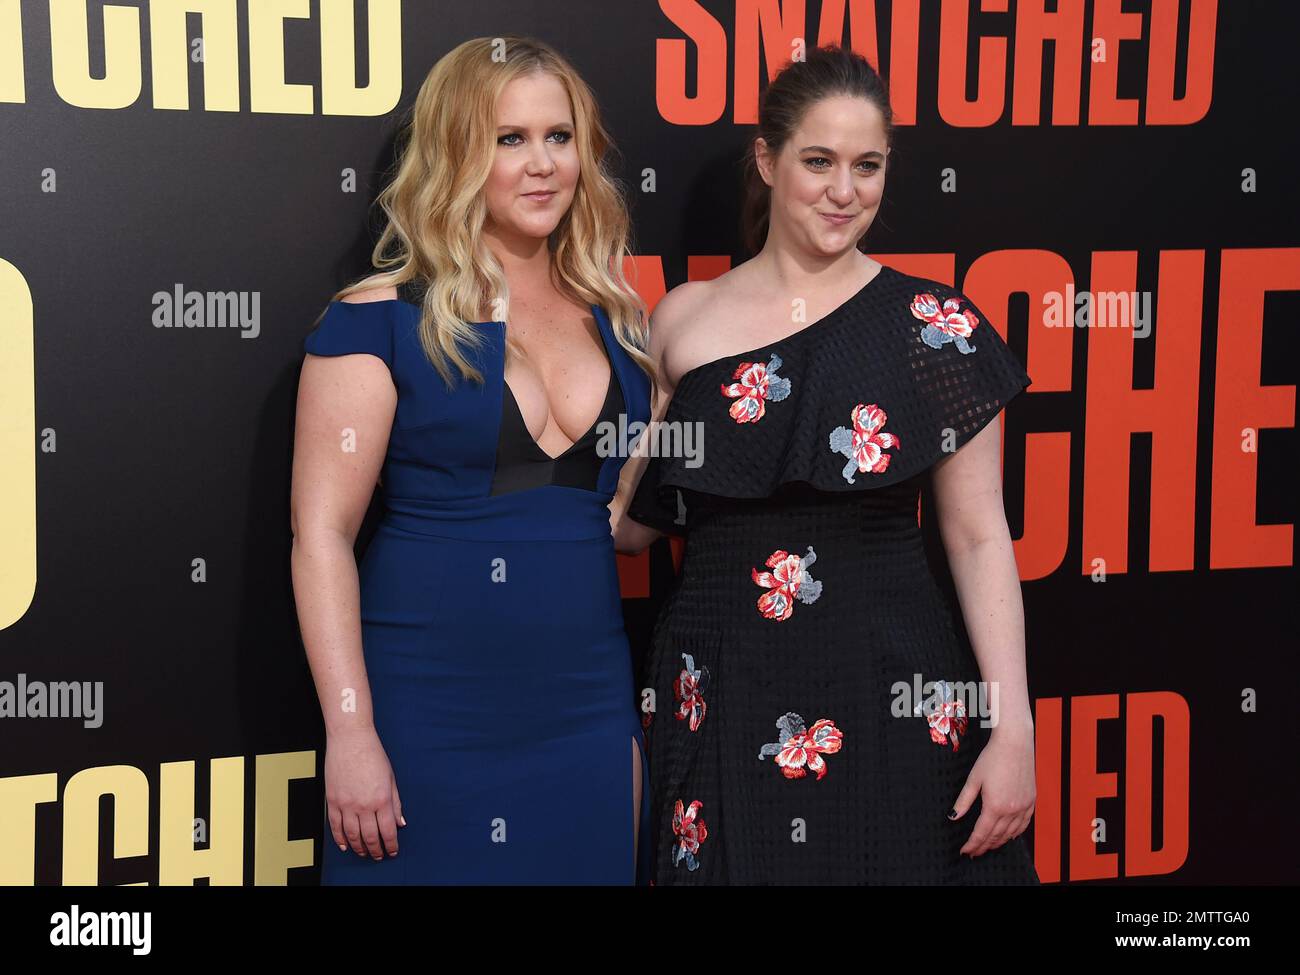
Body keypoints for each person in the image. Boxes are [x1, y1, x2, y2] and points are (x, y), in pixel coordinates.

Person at [613, 45, 1040, 884]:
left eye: (867, 165)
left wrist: (1013, 725)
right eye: (819, 161)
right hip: (721, 684)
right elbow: (631, 525)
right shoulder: (684, 320)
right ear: (767, 161)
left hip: (889, 682)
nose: (845, 192)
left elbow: (979, 535)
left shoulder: (935, 327)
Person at [291, 36, 653, 884]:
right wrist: (351, 734)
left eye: (559, 138)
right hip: (426, 713)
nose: (542, 165)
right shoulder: (375, 318)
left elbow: (621, 522)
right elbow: (320, 537)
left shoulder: (618, 317)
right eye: (508, 139)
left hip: (587, 713)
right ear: (458, 152)